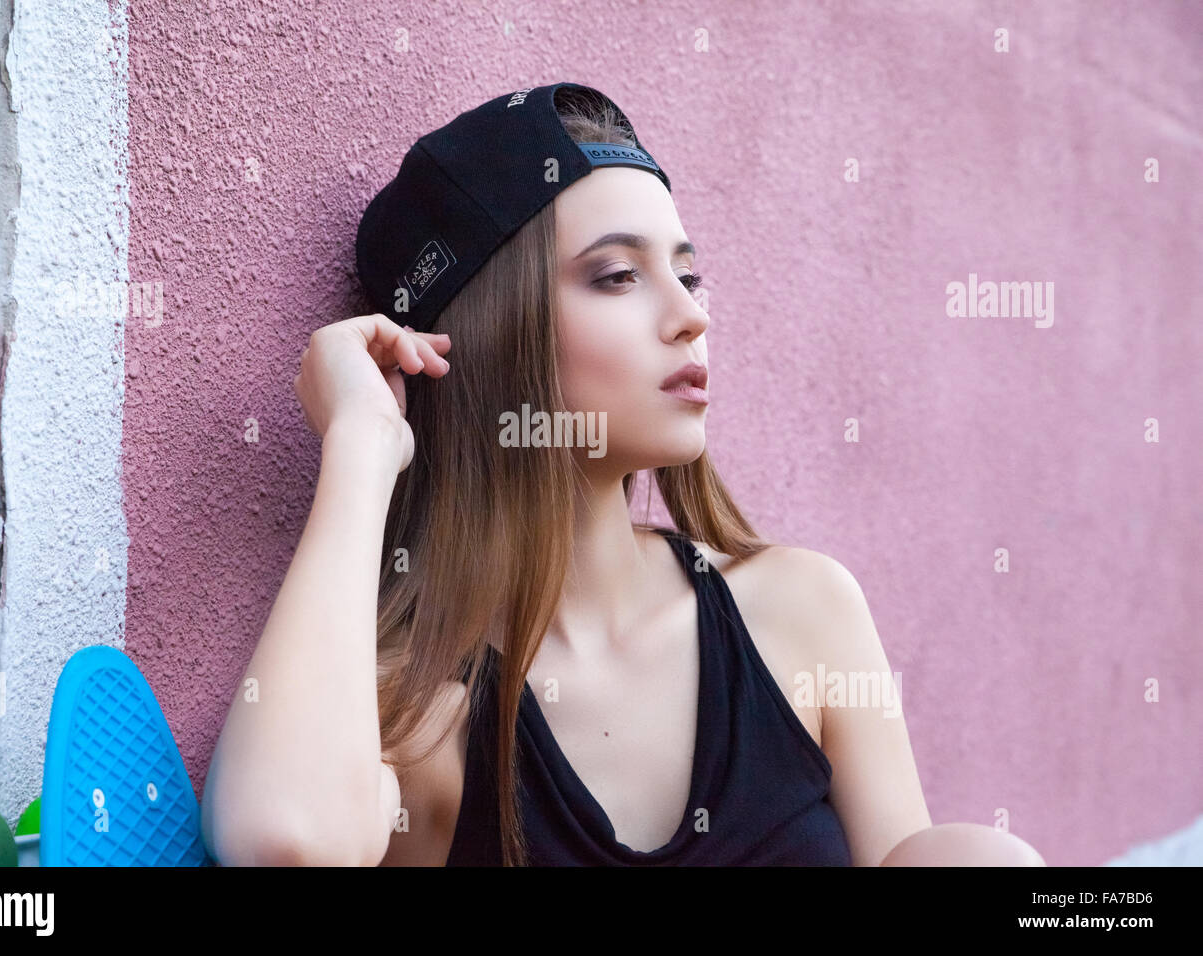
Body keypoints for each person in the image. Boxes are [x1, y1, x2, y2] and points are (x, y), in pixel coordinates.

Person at [200, 83, 1046, 867]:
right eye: (617, 276)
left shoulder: (803, 614)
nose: (690, 316)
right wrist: (360, 444)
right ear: (489, 333)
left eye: (687, 273)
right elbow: (285, 838)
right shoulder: (425, 720)